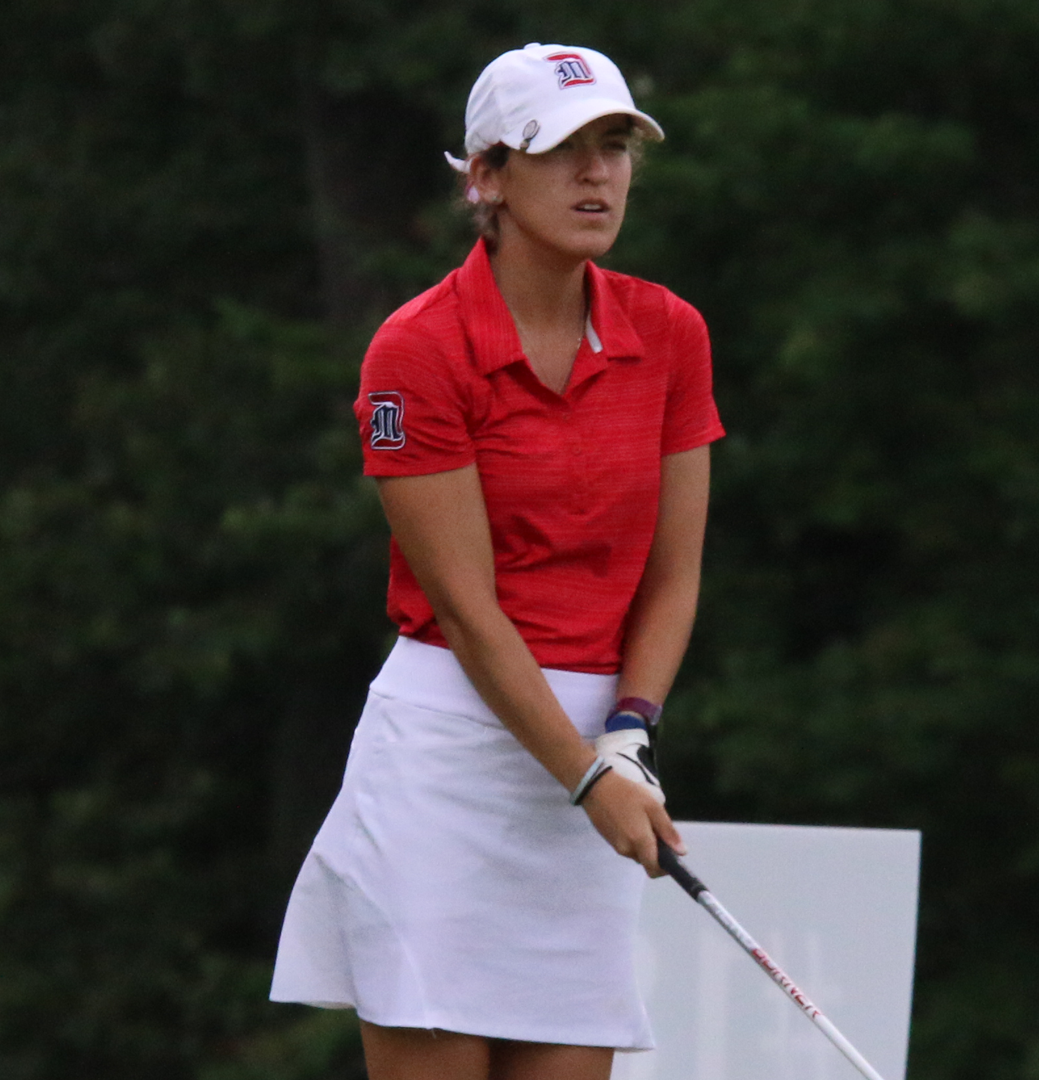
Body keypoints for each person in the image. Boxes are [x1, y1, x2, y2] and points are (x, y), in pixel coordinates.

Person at [269, 42, 724, 1080]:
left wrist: (629, 734)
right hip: (446, 768)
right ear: (487, 176)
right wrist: (588, 778)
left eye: (614, 147)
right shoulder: (417, 350)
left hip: (598, 762)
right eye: (561, 150)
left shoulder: (670, 333)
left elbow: (674, 571)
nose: (596, 174)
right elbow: (469, 613)